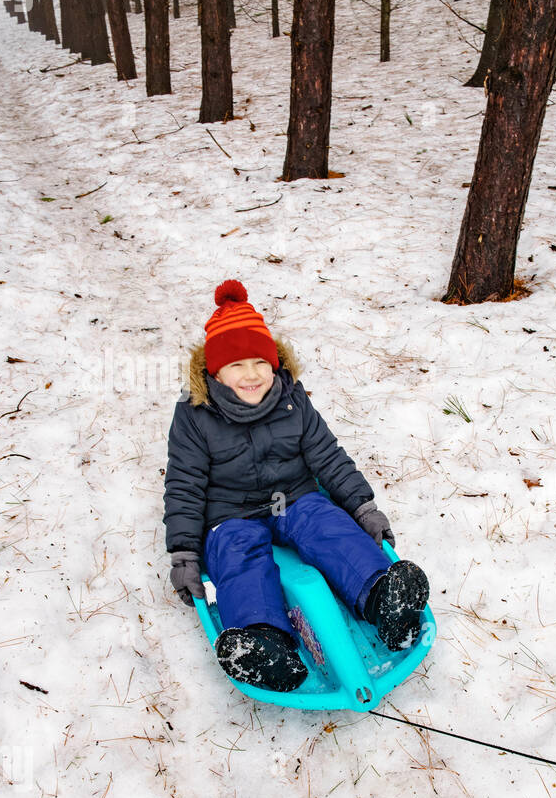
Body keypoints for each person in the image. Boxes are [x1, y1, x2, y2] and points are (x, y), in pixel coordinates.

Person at [163, 281, 429, 692]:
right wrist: (184, 553)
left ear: (275, 363)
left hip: (293, 498)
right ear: (215, 371)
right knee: (238, 557)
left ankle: (383, 598)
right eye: (236, 365)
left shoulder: (293, 399)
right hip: (229, 512)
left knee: (329, 525)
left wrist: (362, 508)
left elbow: (328, 456)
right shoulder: (195, 415)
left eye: (259, 362)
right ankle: (262, 643)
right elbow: (184, 484)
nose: (251, 375)